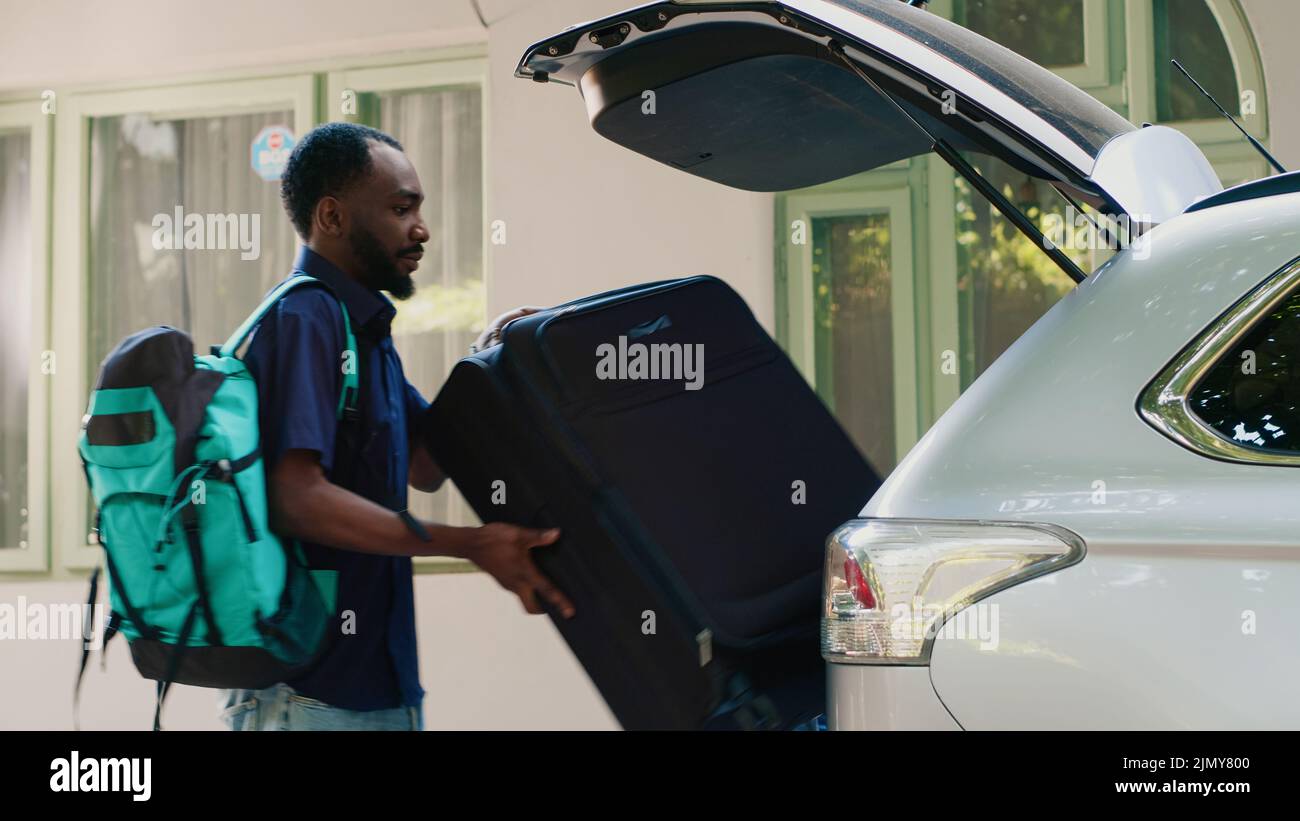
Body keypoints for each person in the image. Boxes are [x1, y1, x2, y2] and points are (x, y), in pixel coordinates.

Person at [217, 122, 573, 731]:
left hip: (378, 688)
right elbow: (296, 498)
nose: (421, 229)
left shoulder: (366, 332)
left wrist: (492, 355)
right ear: (331, 216)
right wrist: (470, 545)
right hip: (308, 698)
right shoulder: (306, 317)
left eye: (419, 208)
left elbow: (425, 466)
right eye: (400, 208)